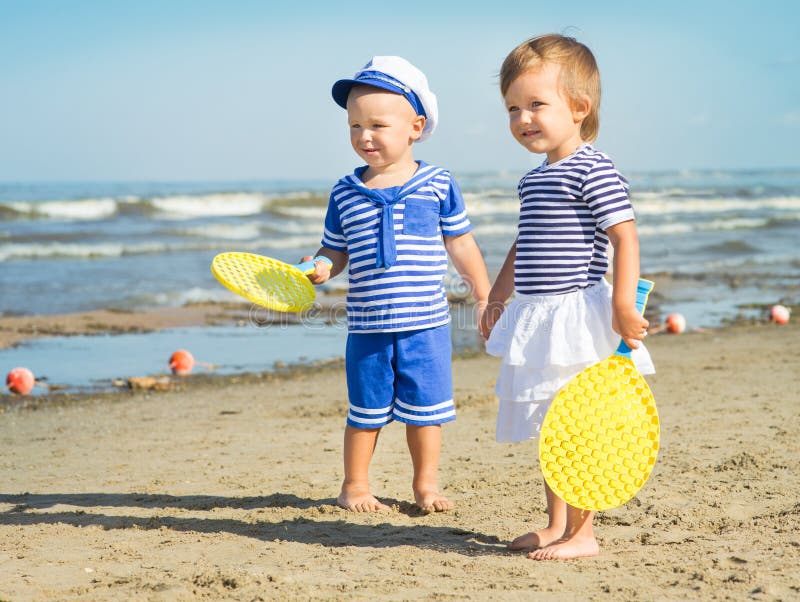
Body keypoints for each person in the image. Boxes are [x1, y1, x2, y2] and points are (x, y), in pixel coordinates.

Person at [479, 34, 655, 559]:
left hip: (577, 311)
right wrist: (496, 296)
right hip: (539, 313)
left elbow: (625, 234)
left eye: (536, 104)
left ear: (579, 108)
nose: (522, 118)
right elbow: (523, 244)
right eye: (513, 108)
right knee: (550, 421)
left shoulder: (593, 167)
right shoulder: (534, 179)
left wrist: (624, 304)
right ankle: (557, 524)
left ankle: (585, 532)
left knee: (581, 421)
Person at [304, 56, 490, 513]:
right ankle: (354, 486)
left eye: (377, 125)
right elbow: (335, 249)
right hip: (367, 326)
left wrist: (484, 296)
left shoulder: (437, 184)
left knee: (427, 411)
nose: (364, 136)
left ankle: (426, 485)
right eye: (354, 126)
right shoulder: (345, 191)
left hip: (425, 323)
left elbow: (462, 245)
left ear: (415, 126)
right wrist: (322, 266)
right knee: (364, 411)